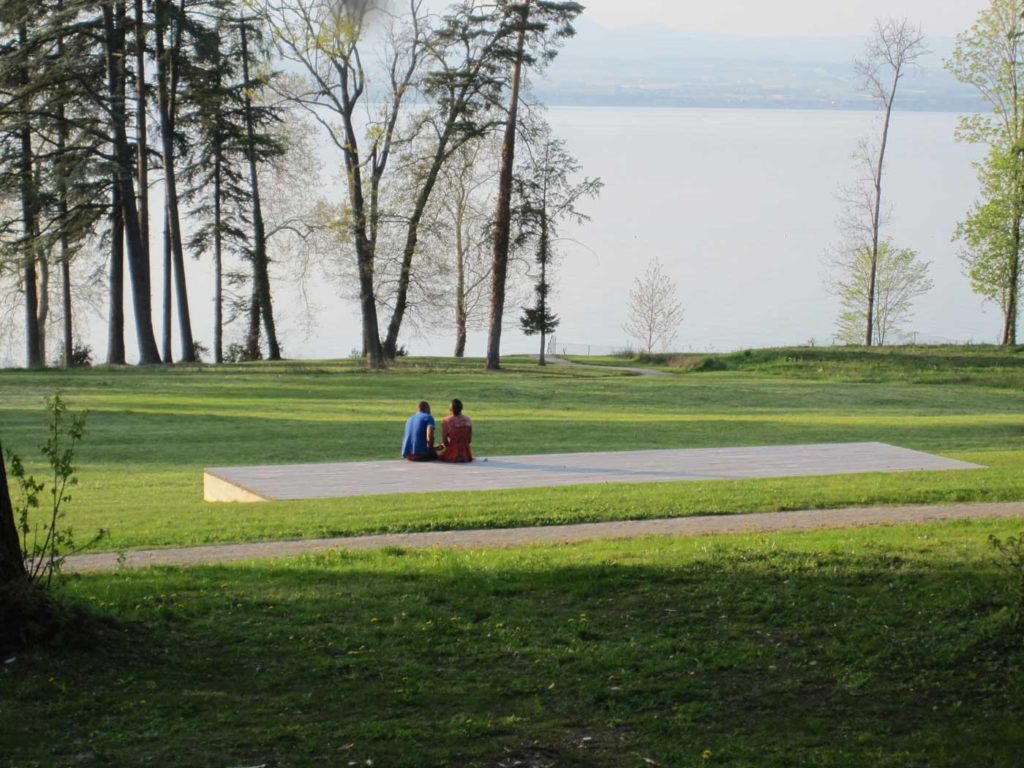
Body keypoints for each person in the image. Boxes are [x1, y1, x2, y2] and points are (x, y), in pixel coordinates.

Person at [436, 398, 473, 463]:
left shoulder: (446, 420)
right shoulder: (468, 420)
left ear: (450, 409)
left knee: (435, 453)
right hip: (466, 454)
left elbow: (445, 441)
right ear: (461, 408)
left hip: (452, 454)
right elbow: (469, 440)